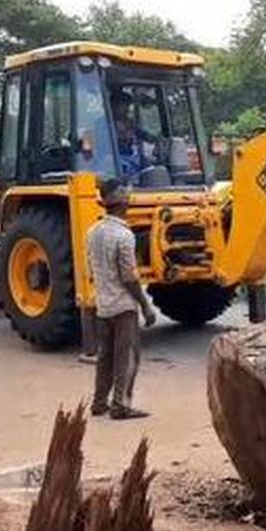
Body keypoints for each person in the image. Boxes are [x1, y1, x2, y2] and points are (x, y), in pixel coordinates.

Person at [85, 177, 156, 419]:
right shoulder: (124, 236)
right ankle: (120, 405)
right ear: (122, 204)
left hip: (103, 305)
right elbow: (129, 277)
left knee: (105, 356)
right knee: (127, 358)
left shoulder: (92, 232)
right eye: (127, 198)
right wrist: (146, 306)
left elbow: (91, 270)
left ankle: (98, 402)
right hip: (124, 307)